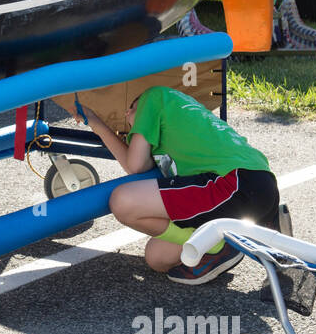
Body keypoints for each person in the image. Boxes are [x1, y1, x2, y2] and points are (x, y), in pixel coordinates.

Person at [74, 86, 279, 284]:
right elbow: (137, 163)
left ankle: (218, 245)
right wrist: (95, 123)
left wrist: (101, 121)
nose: (127, 114)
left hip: (234, 184)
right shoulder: (180, 124)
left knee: (122, 200)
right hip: (258, 184)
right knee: (157, 257)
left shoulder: (153, 96)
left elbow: (134, 165)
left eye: (131, 109)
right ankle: (246, 228)